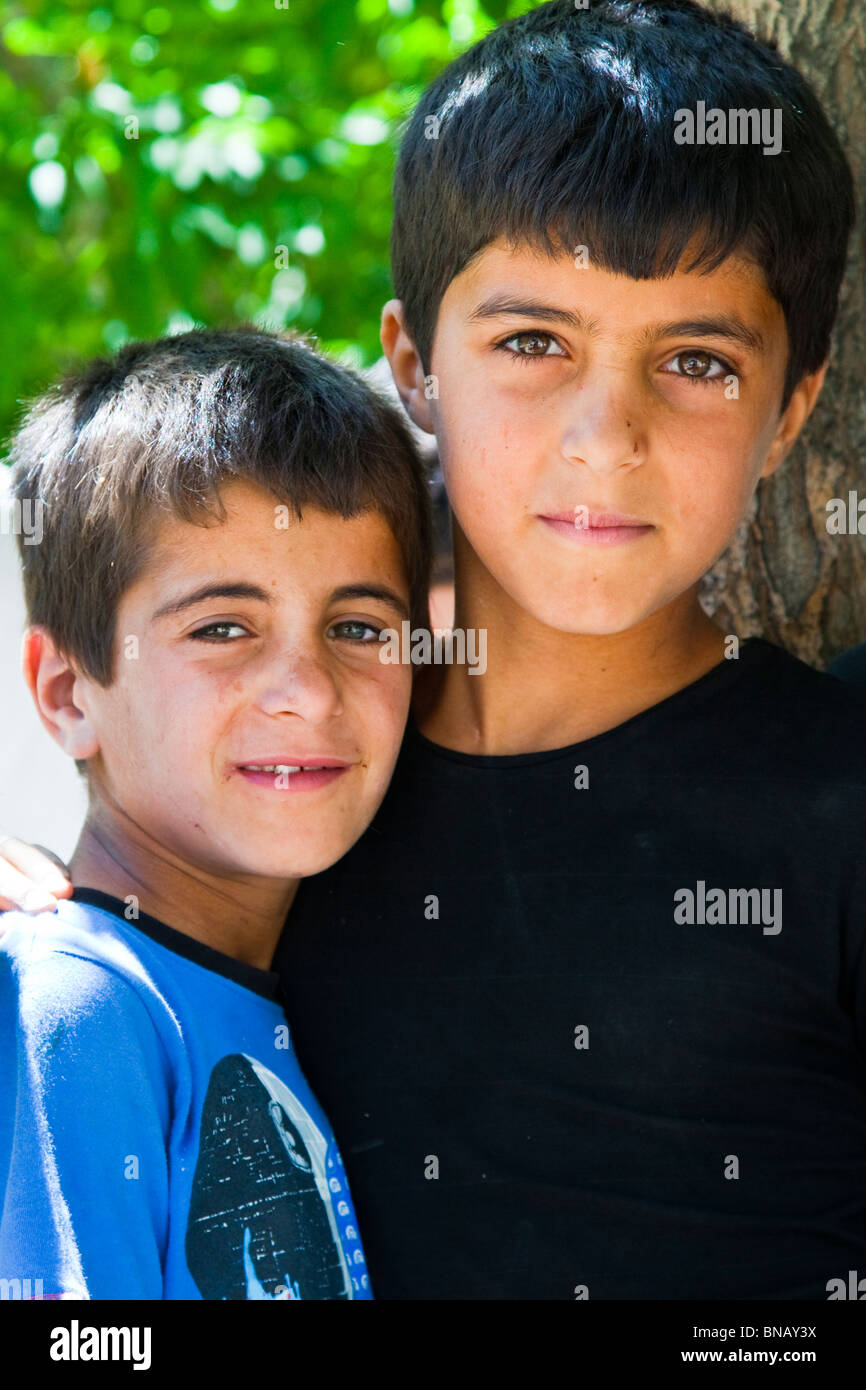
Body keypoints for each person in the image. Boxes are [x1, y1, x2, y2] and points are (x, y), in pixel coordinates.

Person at [4, 0, 866, 1299]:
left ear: (794, 403)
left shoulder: (836, 804)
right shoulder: (289, 783)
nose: (602, 433)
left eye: (695, 360)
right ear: (412, 361)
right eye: (532, 341)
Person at [0, 326, 432, 1299]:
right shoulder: (74, 1003)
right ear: (69, 690)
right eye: (223, 626)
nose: (307, 690)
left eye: (358, 626)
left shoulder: (253, 982)